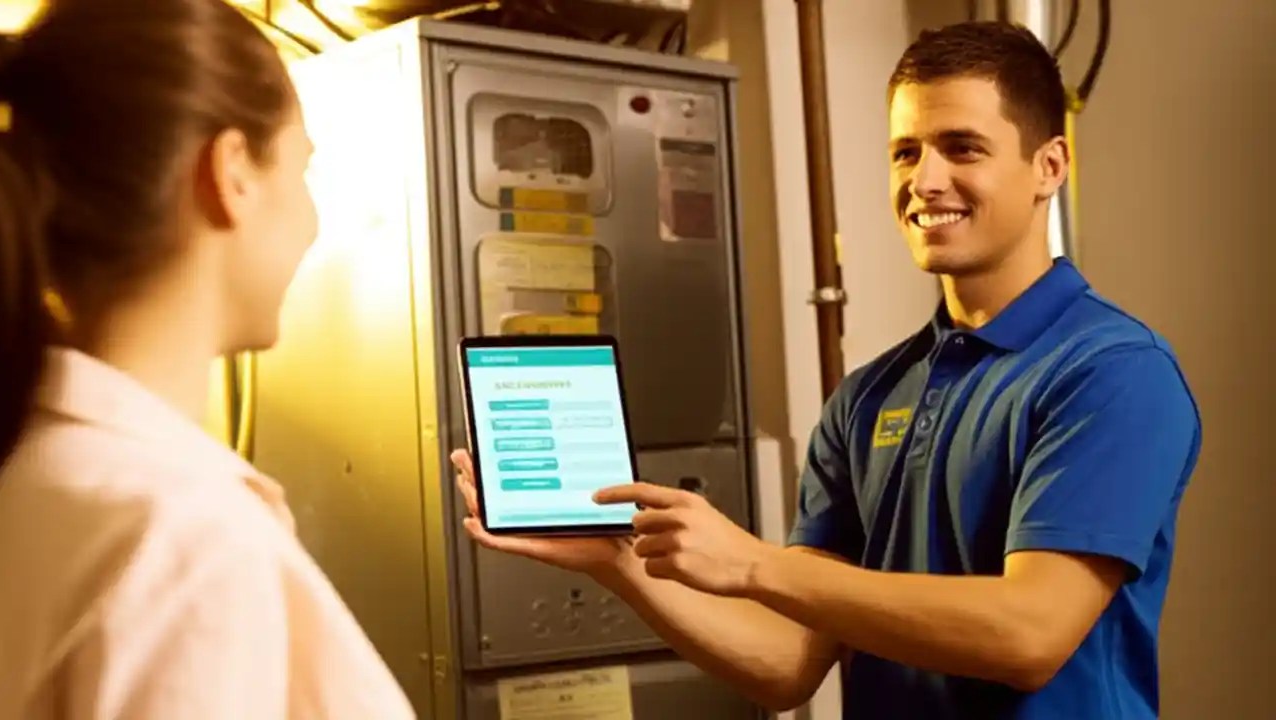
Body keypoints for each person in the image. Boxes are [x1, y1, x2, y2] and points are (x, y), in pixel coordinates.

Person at [452, 20, 1201, 719]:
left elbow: (1028, 635)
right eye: (906, 152)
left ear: (1049, 166)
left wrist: (754, 565)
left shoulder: (1111, 373)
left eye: (962, 148)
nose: (925, 180)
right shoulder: (869, 397)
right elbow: (788, 660)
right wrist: (618, 563)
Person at [0, 1, 414, 717]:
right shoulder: (182, 535)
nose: (313, 217)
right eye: (303, 165)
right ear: (232, 174)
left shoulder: (33, 466)